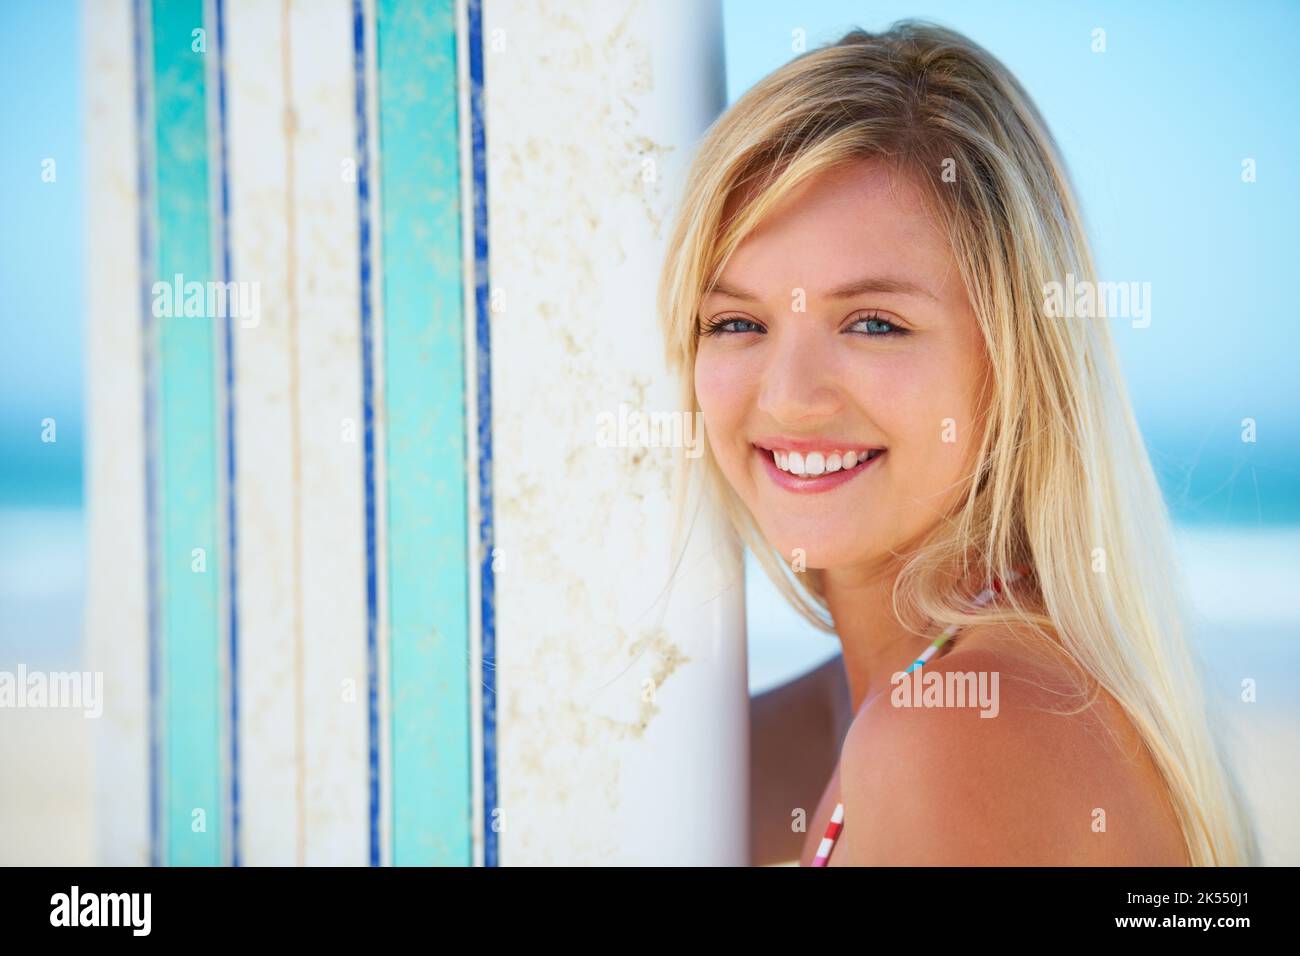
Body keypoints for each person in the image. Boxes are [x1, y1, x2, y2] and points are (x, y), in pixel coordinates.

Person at [657, 21, 1258, 866]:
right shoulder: (797, 734)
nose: (790, 398)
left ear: (1016, 362)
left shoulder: (953, 737)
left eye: (874, 323)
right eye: (736, 322)